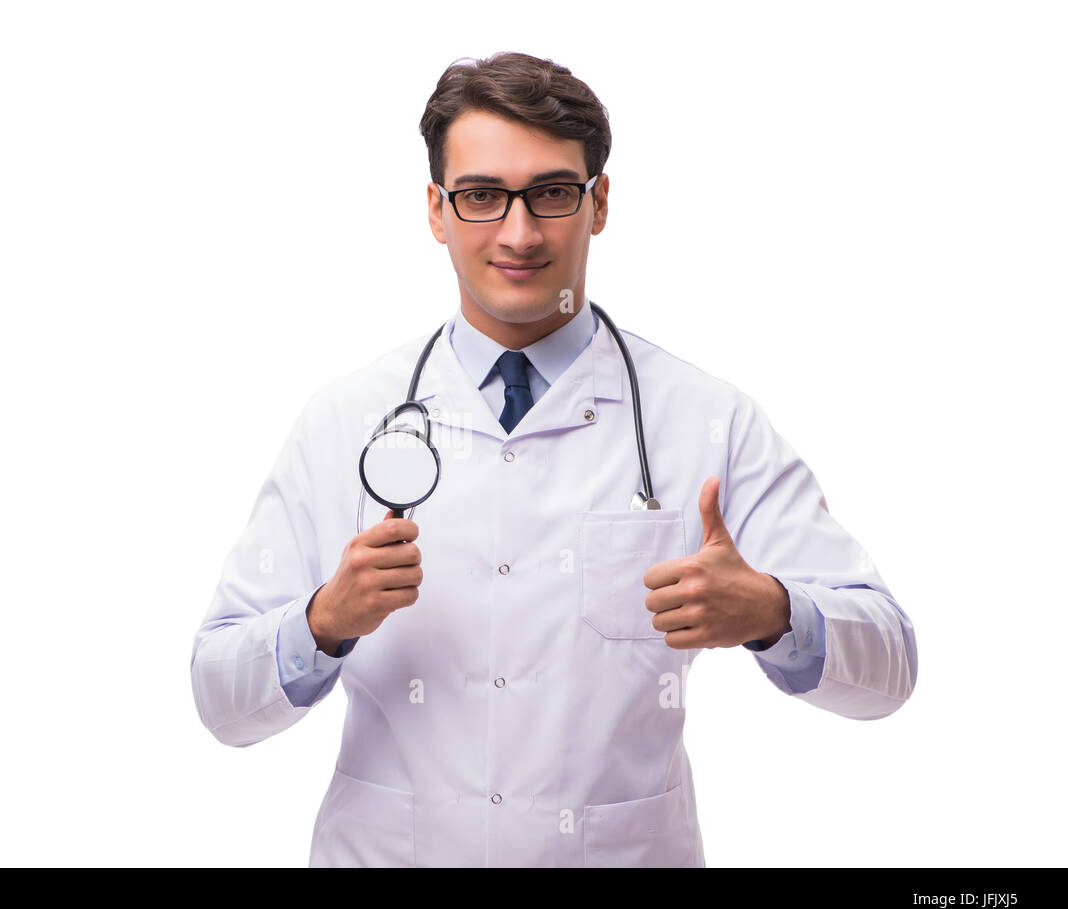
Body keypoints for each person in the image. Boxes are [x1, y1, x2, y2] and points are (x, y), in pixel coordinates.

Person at [189, 51, 917, 867]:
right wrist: (321, 623)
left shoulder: (706, 420)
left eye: (552, 193)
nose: (519, 232)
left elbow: (889, 665)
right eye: (481, 196)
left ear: (599, 202)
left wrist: (778, 614)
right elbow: (220, 698)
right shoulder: (344, 421)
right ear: (437, 210)